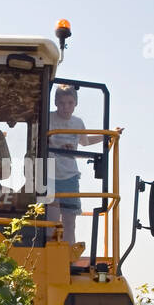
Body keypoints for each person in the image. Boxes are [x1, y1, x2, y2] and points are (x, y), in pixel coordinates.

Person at [46, 84, 100, 245]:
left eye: (70, 103)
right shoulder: (48, 118)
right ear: (56, 103)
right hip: (50, 175)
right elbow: (41, 140)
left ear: (75, 103)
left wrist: (109, 135)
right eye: (62, 103)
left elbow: (86, 141)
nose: (66, 107)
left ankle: (68, 259)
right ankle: (49, 256)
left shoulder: (78, 123)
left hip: (70, 176)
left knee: (70, 223)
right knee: (51, 223)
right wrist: (59, 147)